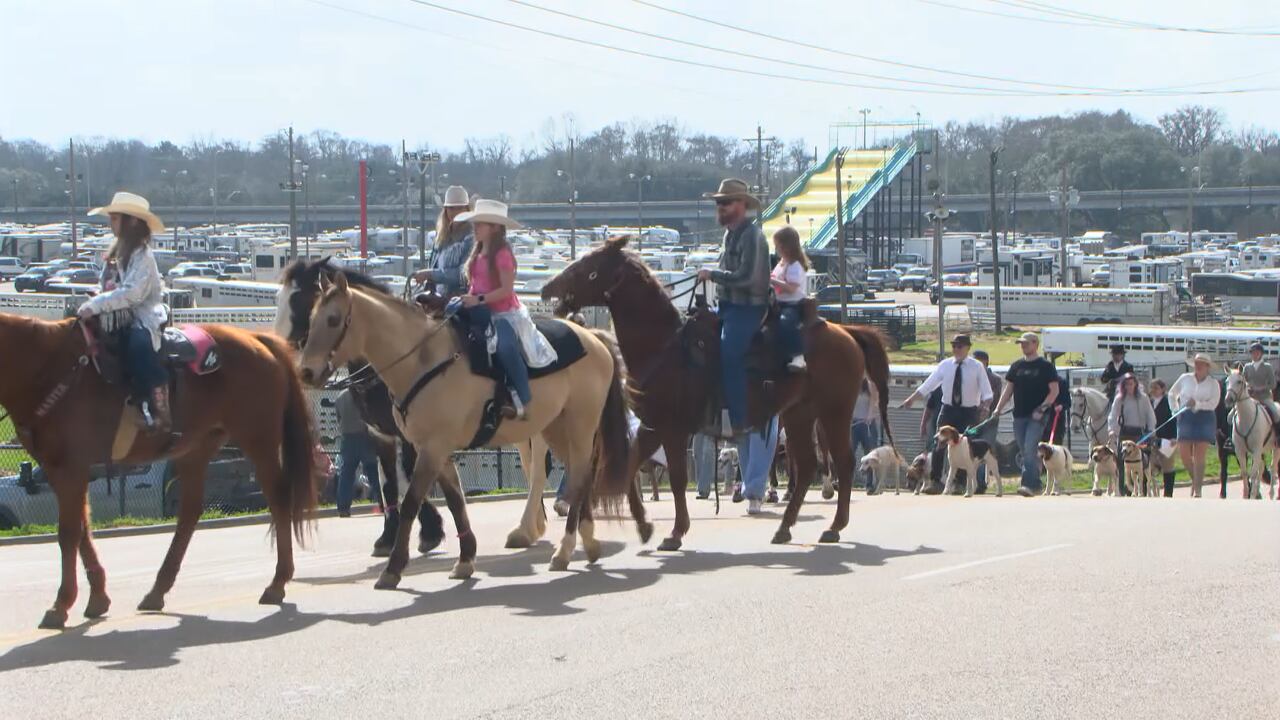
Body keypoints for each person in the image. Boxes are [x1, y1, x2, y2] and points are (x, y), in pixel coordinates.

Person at [78, 192, 171, 431]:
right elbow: (107, 286)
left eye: (116, 218)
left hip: (142, 316)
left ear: (131, 222)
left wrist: (97, 304)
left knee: (138, 345)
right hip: (113, 315)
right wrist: (94, 297)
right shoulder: (115, 253)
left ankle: (156, 407)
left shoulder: (143, 255)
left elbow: (133, 294)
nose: (111, 223)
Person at [456, 199, 557, 420]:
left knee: (505, 348)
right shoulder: (478, 251)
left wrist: (478, 299)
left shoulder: (502, 254)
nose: (475, 228)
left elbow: (505, 290)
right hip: (480, 308)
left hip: (504, 314)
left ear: (494, 227)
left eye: (480, 223)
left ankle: (523, 399)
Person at [697, 178, 771, 438]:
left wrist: (713, 275)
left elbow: (748, 277)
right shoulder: (730, 234)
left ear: (742, 204)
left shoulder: (753, 236)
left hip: (748, 308)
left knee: (730, 352)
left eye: (726, 203)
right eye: (719, 203)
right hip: (728, 307)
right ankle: (709, 411)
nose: (721, 207)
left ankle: (739, 421)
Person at [902, 334, 992, 495]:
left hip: (969, 410)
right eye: (954, 346)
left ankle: (959, 483)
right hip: (948, 408)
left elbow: (987, 391)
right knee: (939, 443)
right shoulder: (945, 365)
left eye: (960, 346)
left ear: (967, 348)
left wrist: (986, 406)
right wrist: (911, 399)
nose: (956, 349)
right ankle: (935, 481)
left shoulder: (977, 366)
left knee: (964, 447)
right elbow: (929, 385)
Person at [993, 332, 1060, 496]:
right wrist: (998, 409)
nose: (1023, 346)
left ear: (1035, 344)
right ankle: (1035, 483)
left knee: (1030, 448)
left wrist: (1042, 408)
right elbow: (1008, 390)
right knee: (1024, 451)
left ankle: (1029, 484)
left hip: (1037, 416)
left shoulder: (1045, 366)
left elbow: (1054, 391)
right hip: (1019, 415)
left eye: (1026, 343)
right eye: (1021, 344)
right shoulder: (1016, 366)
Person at [1169, 354, 1218, 498]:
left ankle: (1198, 489)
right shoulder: (1185, 378)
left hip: (1205, 417)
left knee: (1199, 455)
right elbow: (1172, 393)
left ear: (1207, 367)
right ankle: (1195, 480)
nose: (1198, 366)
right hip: (1186, 416)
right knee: (1184, 454)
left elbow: (1214, 403)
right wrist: (1175, 410)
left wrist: (1197, 403)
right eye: (1196, 363)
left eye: (1202, 364)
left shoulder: (1213, 383)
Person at [413, 185, 474, 298]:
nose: (456, 212)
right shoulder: (441, 236)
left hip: (460, 299)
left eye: (459, 208)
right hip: (439, 296)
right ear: (445, 210)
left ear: (467, 209)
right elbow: (434, 264)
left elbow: (464, 274)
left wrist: (430, 274)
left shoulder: (471, 237)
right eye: (451, 208)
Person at [1108, 373, 1157, 496]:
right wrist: (1112, 429)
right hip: (1124, 432)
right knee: (1121, 460)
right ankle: (1122, 489)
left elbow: (1150, 414)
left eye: (1131, 383)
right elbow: (1113, 416)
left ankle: (1144, 489)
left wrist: (1151, 429)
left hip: (1140, 432)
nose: (1129, 386)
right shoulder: (1119, 399)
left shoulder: (1143, 398)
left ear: (1135, 384)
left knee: (1143, 460)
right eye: (1126, 384)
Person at [769, 225, 809, 372]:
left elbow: (791, 288)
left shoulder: (794, 266)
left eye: (778, 246)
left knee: (786, 322)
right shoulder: (781, 264)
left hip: (793, 304)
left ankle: (798, 356)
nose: (776, 249)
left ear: (787, 247)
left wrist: (771, 281)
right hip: (778, 302)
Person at [335, 389, 380, 517]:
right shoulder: (364, 393)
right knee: (372, 471)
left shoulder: (340, 397)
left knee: (346, 473)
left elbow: (339, 418)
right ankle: (384, 502)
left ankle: (343, 508)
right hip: (364, 435)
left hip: (347, 438)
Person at [973, 349, 1002, 494]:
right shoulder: (971, 377)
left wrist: (986, 411)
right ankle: (977, 483)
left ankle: (984, 482)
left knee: (985, 449)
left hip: (990, 420)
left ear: (986, 362)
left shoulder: (995, 379)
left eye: (980, 362)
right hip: (973, 420)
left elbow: (995, 399)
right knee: (973, 451)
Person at [851, 378, 882, 492]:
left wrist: (869, 416)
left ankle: (870, 484)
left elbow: (874, 402)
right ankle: (846, 481)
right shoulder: (850, 385)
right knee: (849, 453)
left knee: (869, 455)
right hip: (854, 423)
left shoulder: (870, 384)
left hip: (867, 424)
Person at [1148, 378, 1178, 497]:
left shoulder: (1168, 402)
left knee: (1167, 466)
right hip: (1152, 439)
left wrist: (1174, 437)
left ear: (1163, 389)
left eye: (1156, 388)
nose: (1153, 390)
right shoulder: (1149, 402)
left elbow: (1174, 420)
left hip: (1167, 438)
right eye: (1152, 388)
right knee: (1150, 465)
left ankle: (1168, 493)